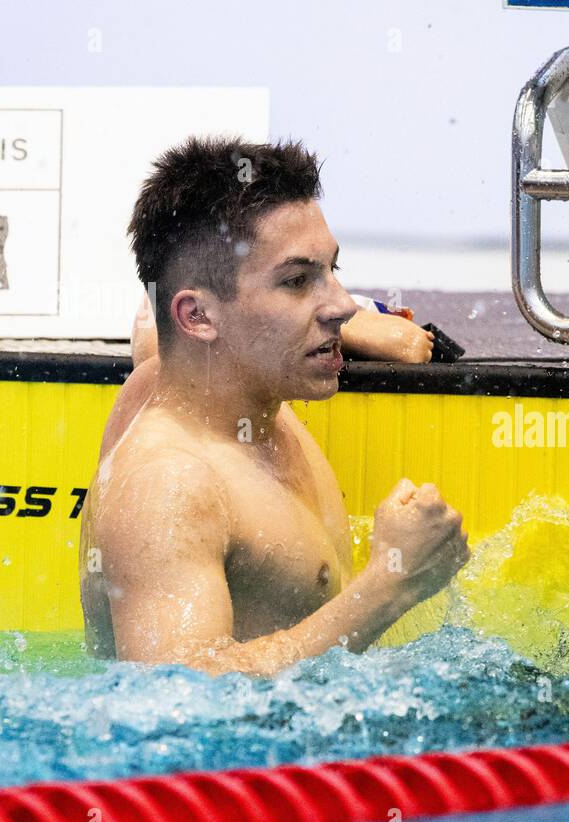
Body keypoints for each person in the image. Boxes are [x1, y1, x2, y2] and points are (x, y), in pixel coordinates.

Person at [79, 136, 469, 676]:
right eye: (296, 280)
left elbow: (152, 326)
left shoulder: (193, 379)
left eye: (332, 271)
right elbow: (176, 699)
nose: (341, 306)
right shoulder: (171, 483)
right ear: (198, 318)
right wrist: (391, 586)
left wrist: (363, 326)